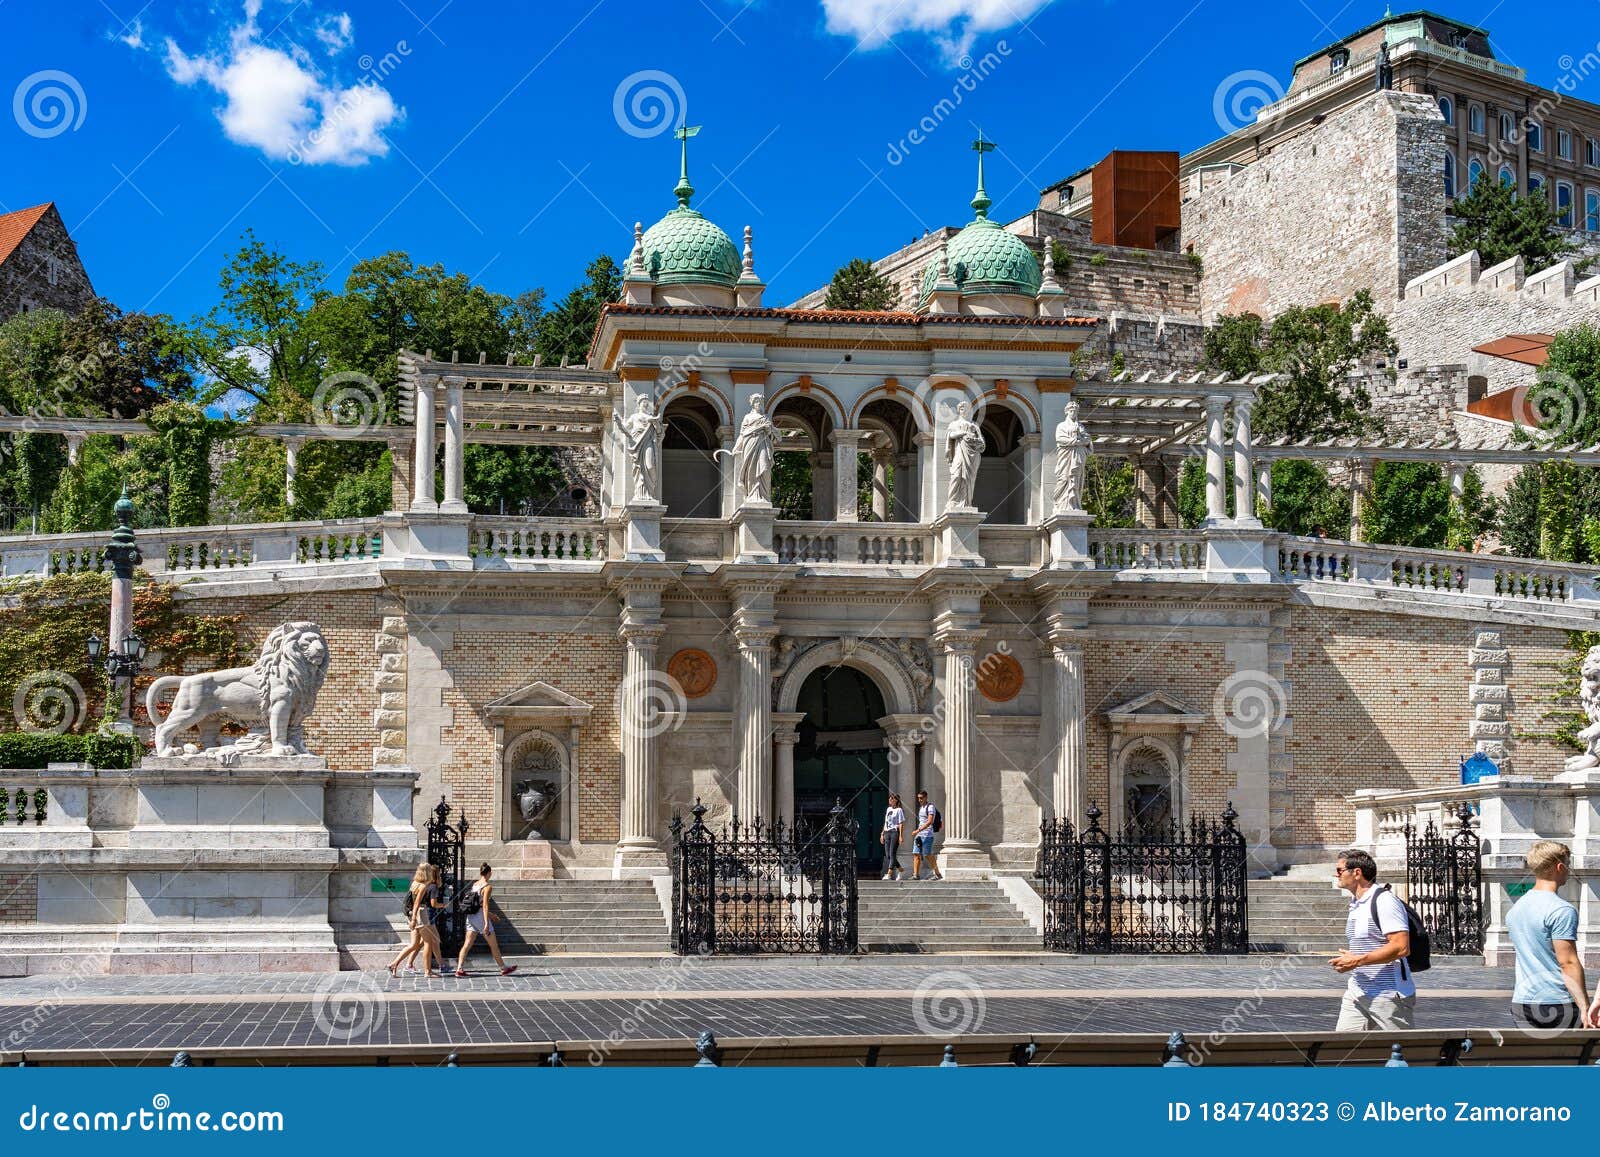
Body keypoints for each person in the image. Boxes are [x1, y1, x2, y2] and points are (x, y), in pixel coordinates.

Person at [1505, 840, 1597, 1029]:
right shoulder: (1562, 910)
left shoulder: (1516, 909)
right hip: (1557, 1003)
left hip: (1522, 1002)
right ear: (1559, 867)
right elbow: (1568, 963)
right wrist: (1584, 1007)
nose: (1569, 871)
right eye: (1568, 865)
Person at [1329, 848, 1414, 1030]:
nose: (1336, 875)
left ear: (1357, 873)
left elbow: (1401, 947)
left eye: (1339, 871)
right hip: (1358, 991)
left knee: (1404, 1050)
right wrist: (1353, 959)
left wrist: (1358, 960)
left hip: (1388, 993)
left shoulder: (1384, 902)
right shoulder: (1356, 904)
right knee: (1340, 1048)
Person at [454, 863, 518, 978]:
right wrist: (487, 923)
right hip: (480, 918)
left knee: (467, 944)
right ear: (489, 873)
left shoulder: (475, 885)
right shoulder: (487, 887)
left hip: (471, 917)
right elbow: (484, 906)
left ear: (480, 873)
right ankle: (503, 968)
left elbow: (476, 905)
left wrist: (491, 915)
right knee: (494, 945)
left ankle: (459, 969)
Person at [387, 863, 433, 977]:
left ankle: (394, 964)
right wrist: (413, 920)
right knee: (428, 942)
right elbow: (417, 903)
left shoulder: (414, 884)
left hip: (412, 914)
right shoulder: (423, 886)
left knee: (413, 944)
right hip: (420, 914)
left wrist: (412, 918)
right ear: (427, 872)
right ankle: (428, 971)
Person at [910, 790, 942, 881]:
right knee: (916, 854)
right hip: (919, 835)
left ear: (926, 797)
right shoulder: (921, 808)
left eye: (921, 798)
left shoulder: (930, 807)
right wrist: (918, 832)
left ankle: (938, 874)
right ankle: (916, 875)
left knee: (928, 855)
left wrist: (917, 830)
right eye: (918, 798)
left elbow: (929, 822)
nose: (919, 800)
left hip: (927, 835)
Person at [881, 794, 906, 881]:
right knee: (888, 855)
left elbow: (901, 823)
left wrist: (901, 836)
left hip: (894, 832)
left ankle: (889, 874)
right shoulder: (888, 809)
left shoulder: (899, 810)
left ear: (896, 800)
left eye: (892, 798)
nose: (890, 800)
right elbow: (886, 822)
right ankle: (901, 870)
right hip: (887, 832)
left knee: (892, 853)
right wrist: (882, 834)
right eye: (889, 798)